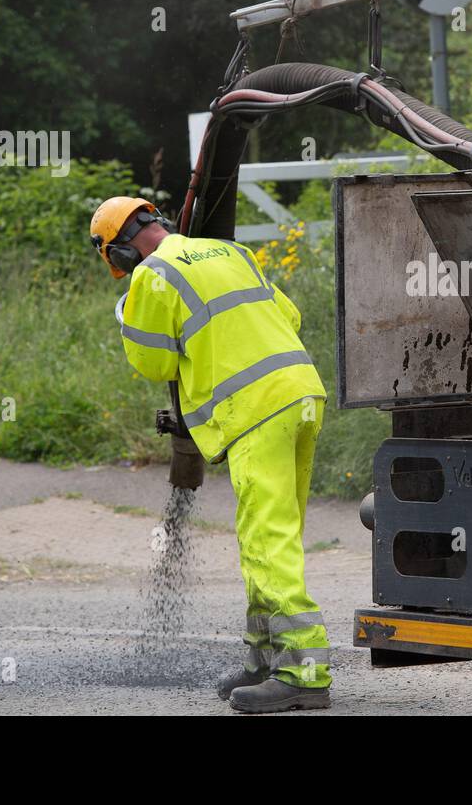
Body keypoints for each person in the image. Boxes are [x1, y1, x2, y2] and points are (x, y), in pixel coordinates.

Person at [89, 195, 331, 713]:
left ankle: (304, 674)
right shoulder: (229, 252)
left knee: (266, 539)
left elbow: (153, 362)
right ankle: (264, 659)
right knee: (273, 534)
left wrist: (126, 313)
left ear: (121, 255)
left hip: (257, 411)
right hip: (303, 395)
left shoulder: (152, 276)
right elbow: (292, 314)